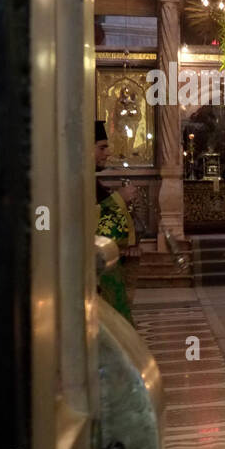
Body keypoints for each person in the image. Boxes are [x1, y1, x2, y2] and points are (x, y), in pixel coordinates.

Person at [94, 121, 138, 324]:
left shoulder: (91, 181)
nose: (108, 153)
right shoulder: (77, 181)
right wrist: (119, 198)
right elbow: (88, 222)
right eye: (102, 147)